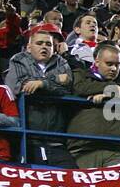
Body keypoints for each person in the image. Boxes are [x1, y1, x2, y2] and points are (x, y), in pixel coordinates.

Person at [4, 25, 75, 165]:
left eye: (48, 44)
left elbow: (67, 89)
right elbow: (19, 86)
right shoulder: (18, 60)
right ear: (29, 47)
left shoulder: (61, 62)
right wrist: (55, 80)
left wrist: (42, 84)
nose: (44, 47)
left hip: (57, 140)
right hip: (29, 138)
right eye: (39, 43)